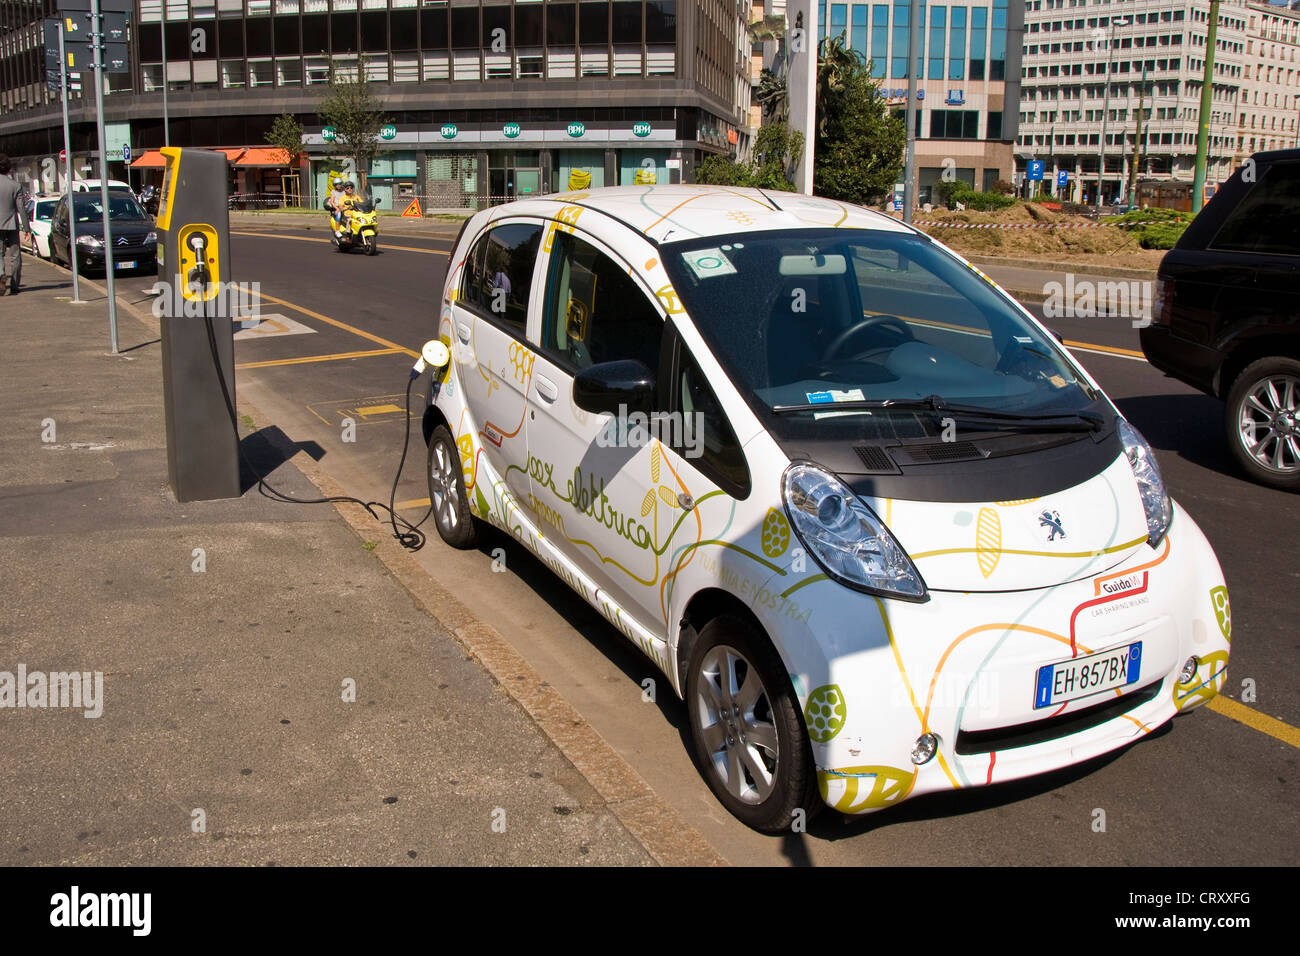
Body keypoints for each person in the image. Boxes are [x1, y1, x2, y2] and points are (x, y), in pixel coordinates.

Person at [0, 154, 26, 296]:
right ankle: (15, 285)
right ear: (9, 169)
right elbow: (21, 208)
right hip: (12, 224)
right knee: (15, 255)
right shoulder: (16, 186)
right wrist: (27, 228)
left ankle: (1, 274)